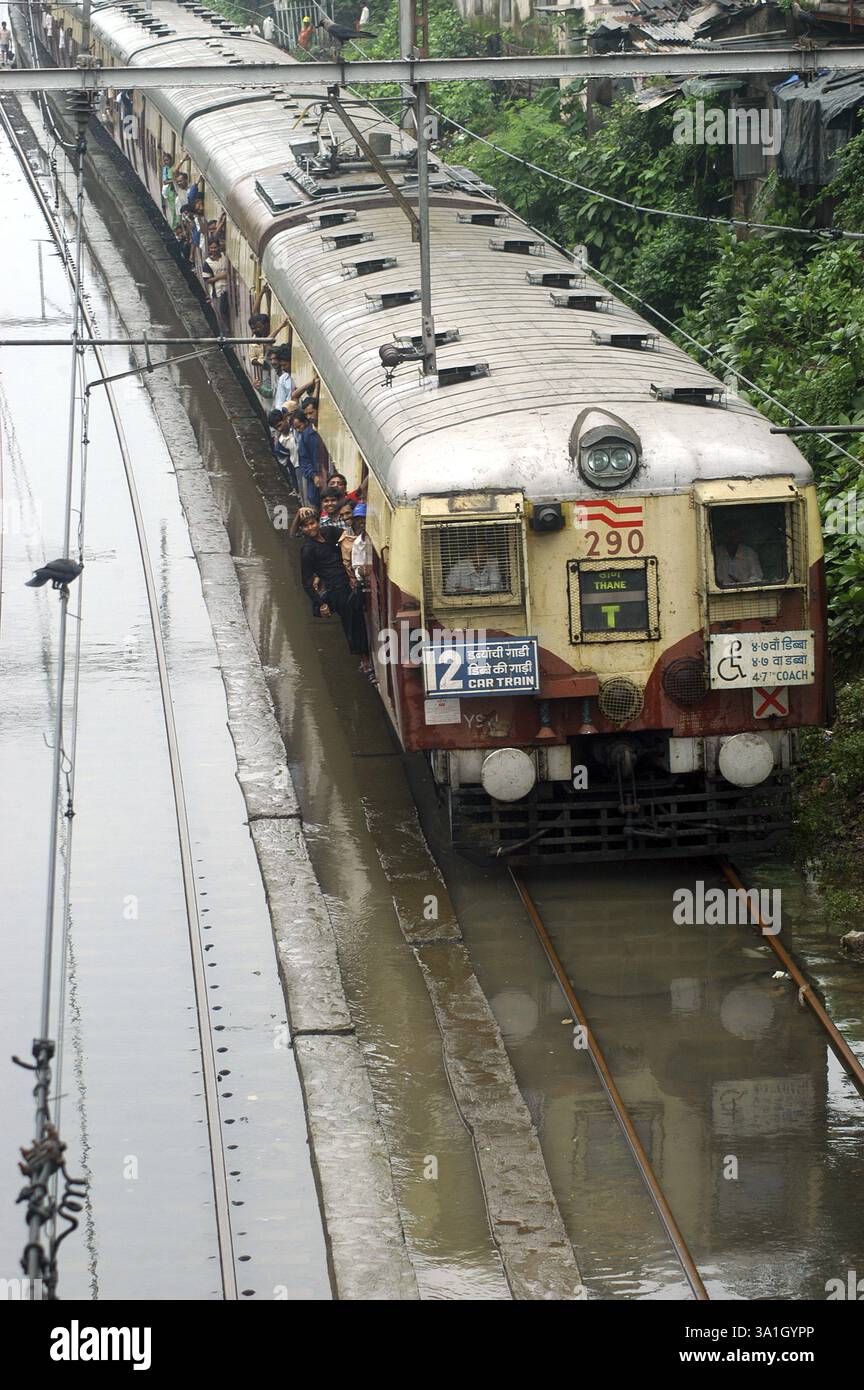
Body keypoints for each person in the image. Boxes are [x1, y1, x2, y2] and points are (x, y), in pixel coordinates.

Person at [300, 511, 371, 670]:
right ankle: (364, 659)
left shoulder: (329, 532)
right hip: (336, 588)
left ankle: (368, 654)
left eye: (313, 523)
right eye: (306, 526)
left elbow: (348, 538)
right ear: (303, 529)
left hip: (349, 578)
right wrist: (320, 604)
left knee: (360, 616)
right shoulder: (307, 551)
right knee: (351, 622)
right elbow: (305, 582)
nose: (311, 527)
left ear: (318, 522)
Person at [294, 411, 321, 511]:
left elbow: (304, 460)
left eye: (299, 426)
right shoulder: (306, 435)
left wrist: (313, 475)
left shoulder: (307, 435)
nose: (298, 430)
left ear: (305, 422)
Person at [202, 238, 229, 323]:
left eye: (215, 247)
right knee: (221, 313)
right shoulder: (207, 263)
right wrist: (221, 276)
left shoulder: (225, 256)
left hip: (229, 288)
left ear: (218, 247)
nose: (213, 250)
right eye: (211, 248)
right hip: (217, 292)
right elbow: (207, 280)